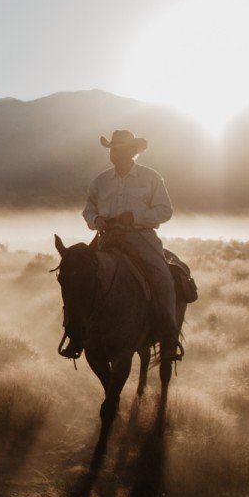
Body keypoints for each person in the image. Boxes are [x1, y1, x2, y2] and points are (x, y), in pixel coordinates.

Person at [81, 129, 180, 362]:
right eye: (112, 150)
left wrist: (134, 217)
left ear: (132, 151)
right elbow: (89, 209)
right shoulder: (100, 181)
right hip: (107, 237)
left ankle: (168, 338)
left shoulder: (151, 177)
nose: (114, 154)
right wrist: (96, 219)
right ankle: (77, 332)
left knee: (163, 278)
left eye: (120, 150)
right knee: (80, 276)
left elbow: (165, 211)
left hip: (141, 237)